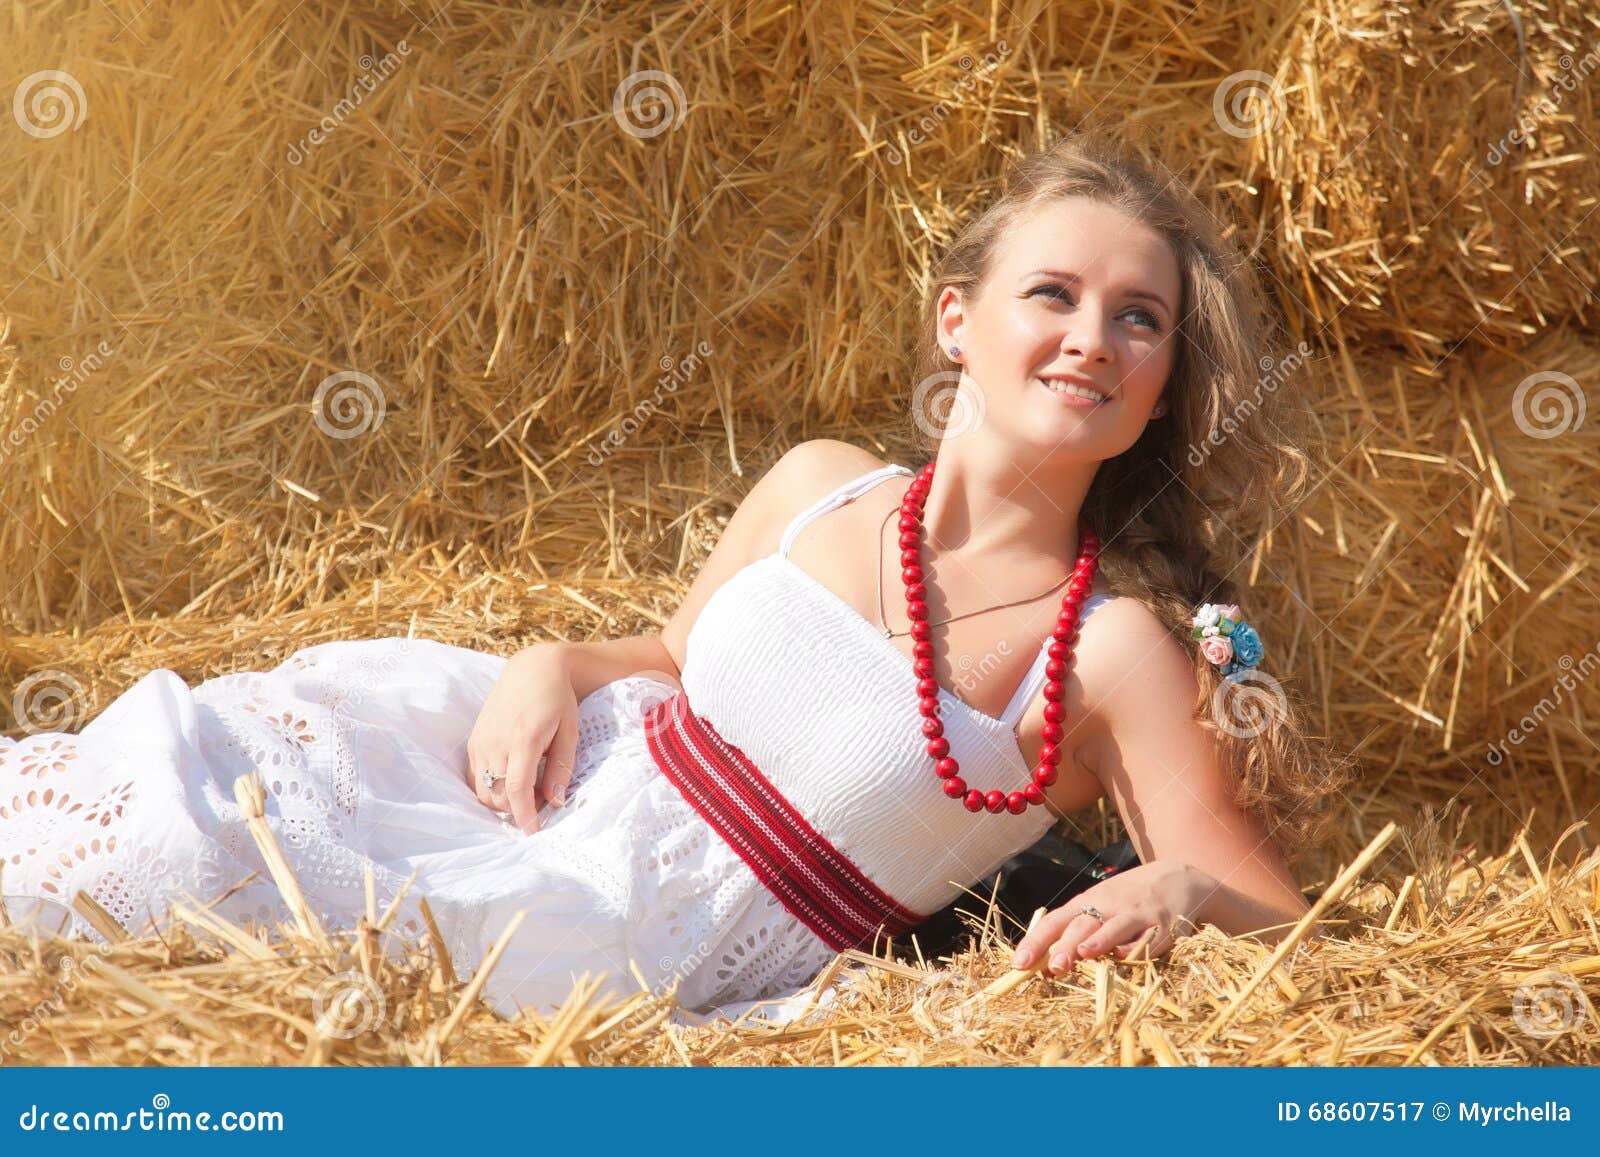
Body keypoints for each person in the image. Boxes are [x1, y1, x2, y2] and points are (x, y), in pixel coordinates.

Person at [0, 129, 1350, 1022]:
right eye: (1052, 294)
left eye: (1139, 318)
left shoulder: (1111, 650)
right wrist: (547, 664)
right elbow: (661, 656)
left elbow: (1288, 922)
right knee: (171, 774)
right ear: (961, 319)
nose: (1090, 340)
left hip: (635, 929)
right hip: (527, 772)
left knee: (211, 904)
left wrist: (1180, 889)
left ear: (1166, 377)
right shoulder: (822, 477)